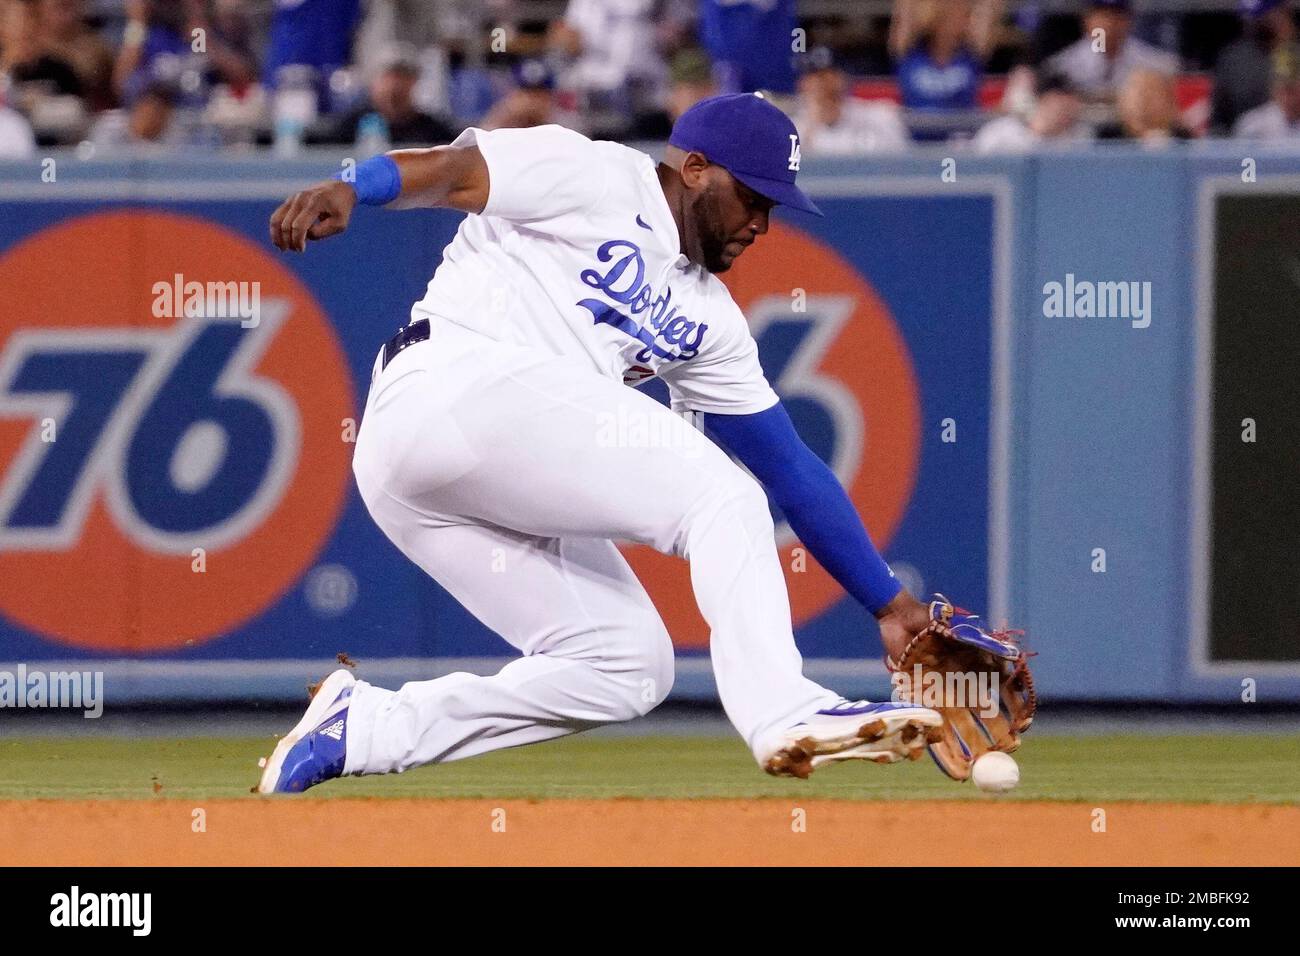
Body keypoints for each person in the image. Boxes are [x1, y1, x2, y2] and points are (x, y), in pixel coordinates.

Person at [258, 92, 953, 793]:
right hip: (448, 380)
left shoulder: (711, 321)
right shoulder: (593, 172)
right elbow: (454, 171)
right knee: (719, 498)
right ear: (696, 168)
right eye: (753, 198)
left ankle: (364, 728)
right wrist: (355, 187)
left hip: (434, 474)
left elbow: (790, 467)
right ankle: (786, 711)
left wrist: (893, 608)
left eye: (775, 208)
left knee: (626, 664)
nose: (763, 224)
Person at [1044, 0, 1178, 104]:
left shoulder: (1154, 63)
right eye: (1103, 15)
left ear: (1129, 19)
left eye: (1117, 15)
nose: (1109, 23)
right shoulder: (1062, 66)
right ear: (1087, 19)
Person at [890, 0, 1003, 117]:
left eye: (963, 14)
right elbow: (905, 14)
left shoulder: (971, 54)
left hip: (962, 132)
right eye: (950, 15)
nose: (958, 19)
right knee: (881, 112)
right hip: (914, 131)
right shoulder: (910, 53)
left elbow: (989, 8)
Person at [329, 45, 454, 147]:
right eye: (387, 77)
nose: (394, 85)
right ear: (373, 82)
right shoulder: (351, 126)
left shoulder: (433, 131)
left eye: (402, 76)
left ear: (414, 82)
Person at [796, 46, 908, 155]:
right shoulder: (794, 129)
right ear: (803, 84)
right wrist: (811, 126)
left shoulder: (881, 117)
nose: (823, 84)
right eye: (815, 77)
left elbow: (902, 165)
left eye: (828, 76)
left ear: (843, 79)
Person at [1212, 0, 1296, 136]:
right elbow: (1219, 121)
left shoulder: (1294, 52)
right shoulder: (1234, 60)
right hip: (1248, 142)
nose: (1252, 22)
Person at [973, 68, 1090, 152]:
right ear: (1044, 101)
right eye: (1063, 107)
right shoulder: (1000, 133)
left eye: (1071, 109)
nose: (1068, 114)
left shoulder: (1078, 140)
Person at [1097, 67, 1192, 144]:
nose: (1143, 104)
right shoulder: (1106, 140)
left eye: (1151, 94)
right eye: (1137, 95)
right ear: (1121, 102)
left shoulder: (1184, 141)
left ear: (1171, 103)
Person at [1234, 43, 1300, 138]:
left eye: (1292, 90)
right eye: (1282, 89)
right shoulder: (1253, 125)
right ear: (1273, 89)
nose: (1287, 97)